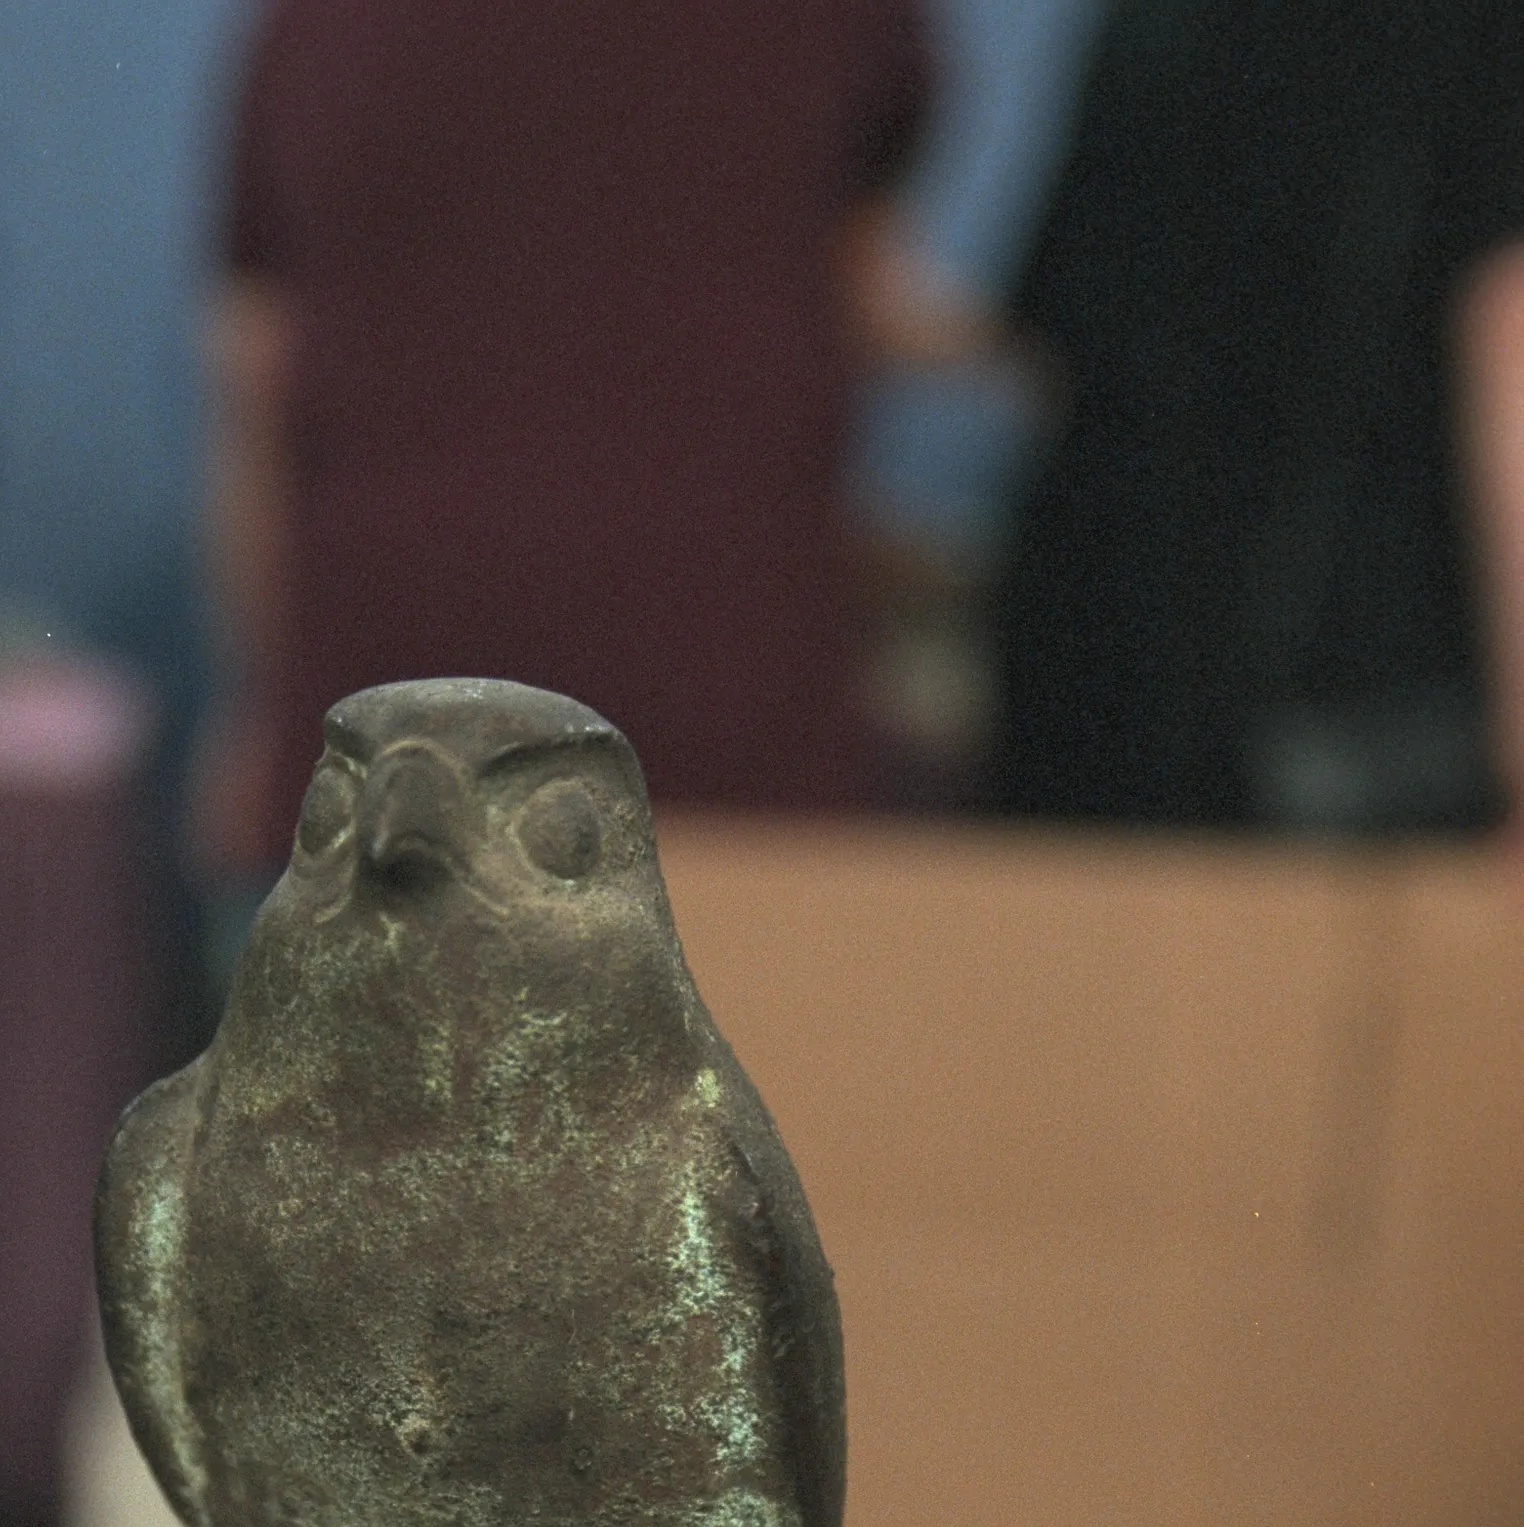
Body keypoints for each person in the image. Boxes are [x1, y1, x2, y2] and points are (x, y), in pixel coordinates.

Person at [190, 0, 936, 915]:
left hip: (398, 744)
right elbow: (854, 288)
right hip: (733, 737)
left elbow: (257, 380)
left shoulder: (316, 26)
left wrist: (265, 714)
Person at [987, 0, 1524, 833]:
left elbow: (1064, 339)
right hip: (1377, 723)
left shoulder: (1159, 24)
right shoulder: (1483, 40)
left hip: (1095, 688)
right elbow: (1508, 345)